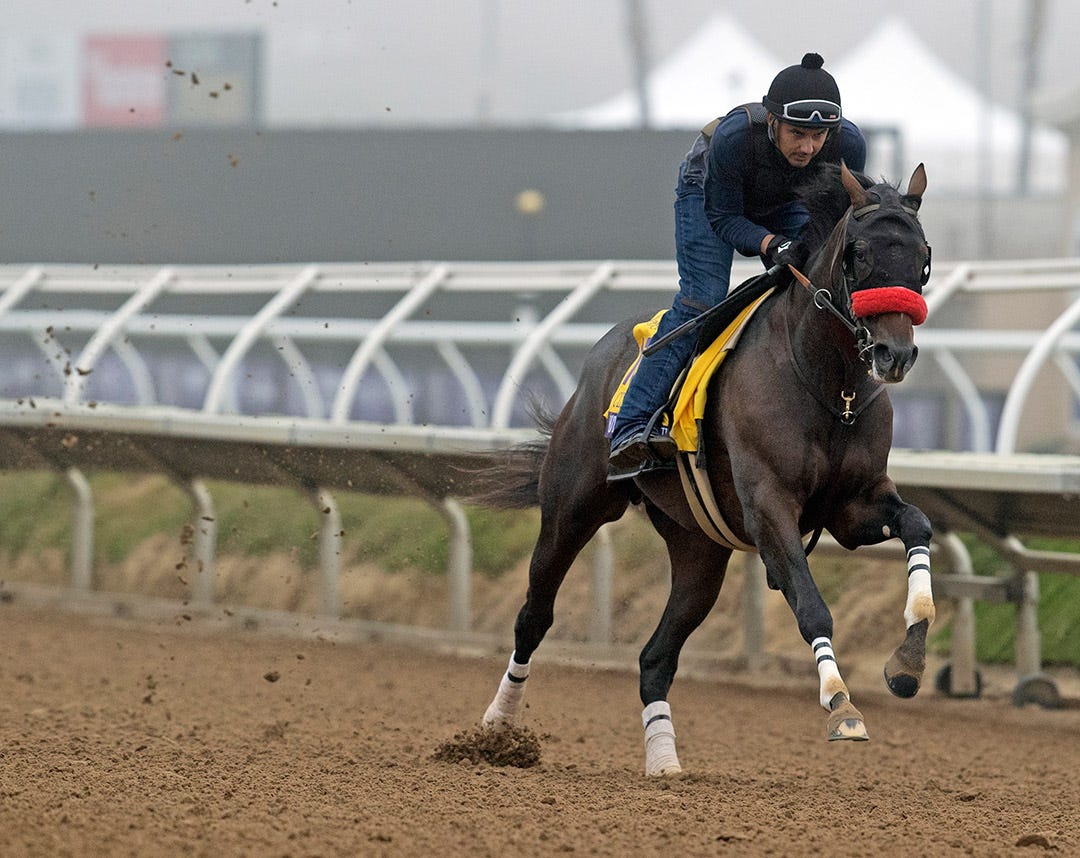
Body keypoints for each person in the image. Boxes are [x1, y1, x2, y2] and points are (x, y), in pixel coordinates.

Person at [608, 52, 867, 475]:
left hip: (786, 198)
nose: (808, 147)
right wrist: (771, 244)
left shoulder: (849, 146)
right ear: (772, 121)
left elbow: (833, 221)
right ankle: (630, 425)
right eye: (797, 134)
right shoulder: (734, 138)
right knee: (703, 299)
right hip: (710, 191)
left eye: (819, 136)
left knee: (813, 287)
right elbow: (725, 218)